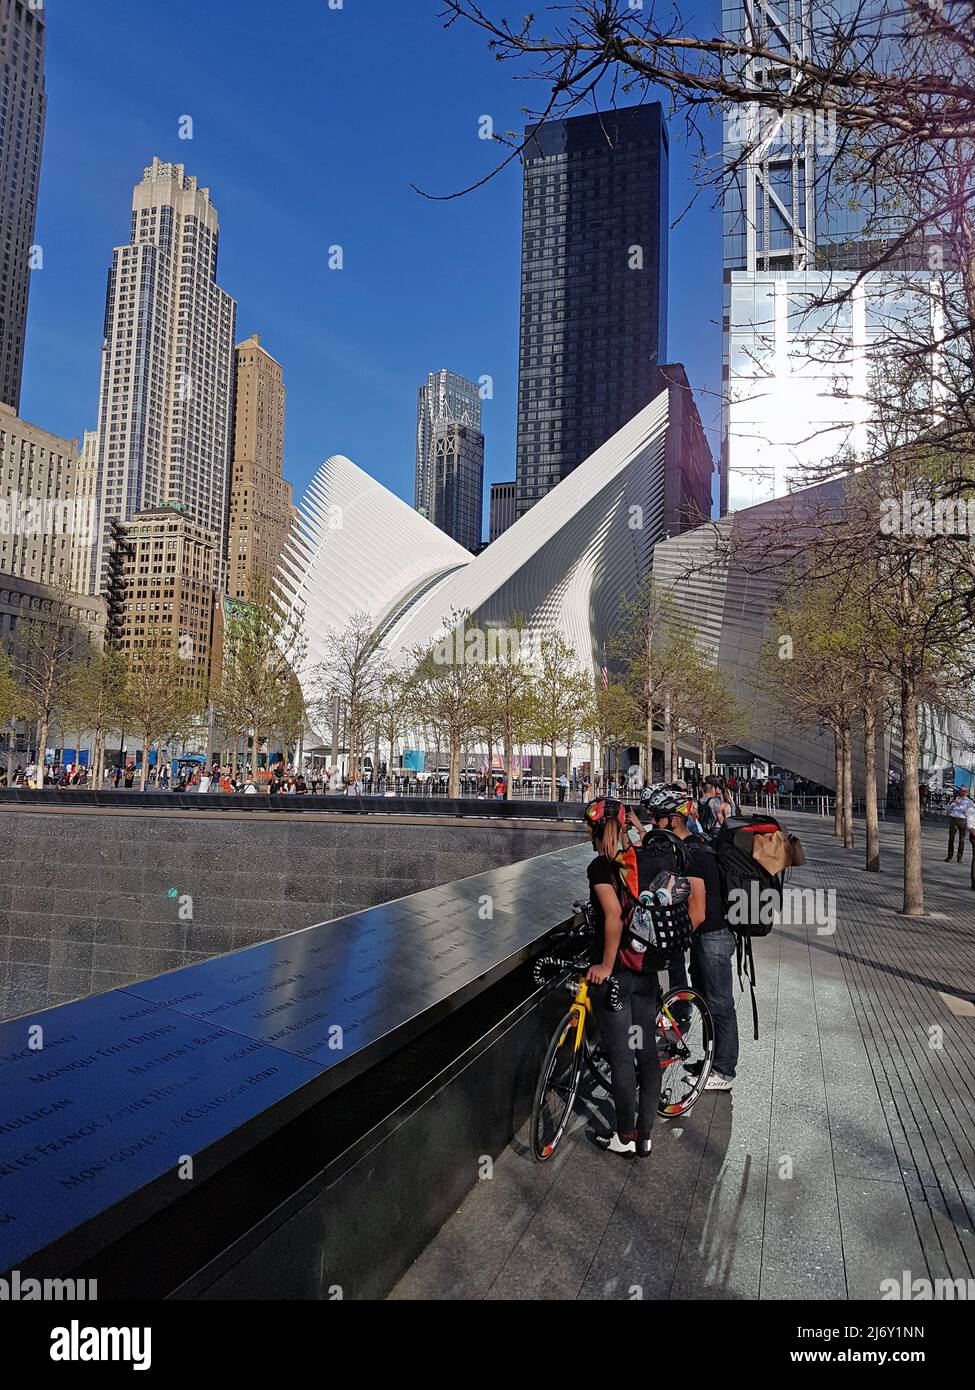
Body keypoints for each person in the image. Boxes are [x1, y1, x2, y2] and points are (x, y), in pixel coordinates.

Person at [583, 797, 662, 1158]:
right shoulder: (642, 859)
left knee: (620, 1056)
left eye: (591, 831)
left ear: (599, 831)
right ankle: (645, 1136)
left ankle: (624, 1137)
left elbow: (613, 916)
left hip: (618, 976)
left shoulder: (601, 868)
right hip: (646, 970)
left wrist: (605, 964)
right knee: (646, 1053)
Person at [653, 793, 739, 1092]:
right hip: (710, 936)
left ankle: (723, 1071)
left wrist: (677, 937)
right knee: (708, 1002)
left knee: (719, 1004)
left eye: (656, 818)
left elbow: (698, 910)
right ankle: (712, 1061)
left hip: (713, 936)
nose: (653, 823)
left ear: (673, 820)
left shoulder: (694, 854)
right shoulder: (694, 846)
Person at [945, 786, 973, 863]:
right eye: (960, 790)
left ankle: (959, 857)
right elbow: (948, 809)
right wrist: (951, 803)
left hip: (962, 820)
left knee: (961, 840)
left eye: (963, 791)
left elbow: (968, 813)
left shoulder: (969, 802)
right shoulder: (955, 798)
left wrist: (959, 805)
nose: (960, 792)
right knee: (951, 838)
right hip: (953, 819)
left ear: (966, 792)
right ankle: (949, 856)